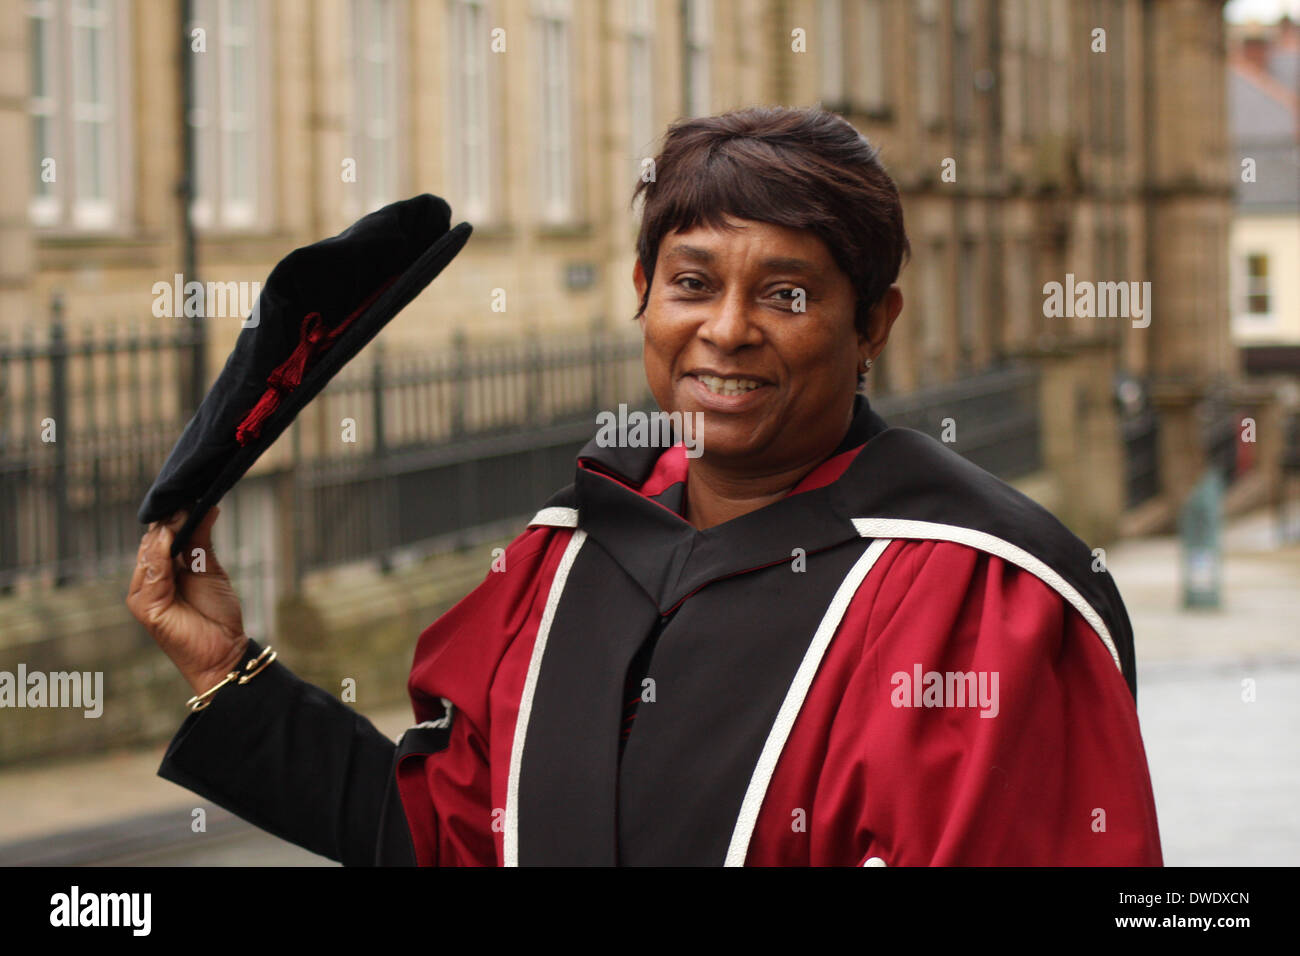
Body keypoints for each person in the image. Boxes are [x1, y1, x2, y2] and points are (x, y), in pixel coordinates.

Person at [126, 105, 1162, 866]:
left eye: (787, 292)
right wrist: (233, 672)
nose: (725, 329)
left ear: (872, 325)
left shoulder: (981, 600)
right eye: (693, 282)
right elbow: (450, 839)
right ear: (643, 295)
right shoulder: (571, 553)